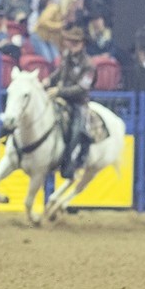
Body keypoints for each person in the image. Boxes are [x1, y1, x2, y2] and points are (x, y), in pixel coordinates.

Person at [43, 26, 95, 179]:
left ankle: (69, 163)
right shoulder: (66, 57)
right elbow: (58, 73)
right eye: (70, 41)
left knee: (76, 131)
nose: (71, 45)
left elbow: (81, 88)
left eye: (75, 42)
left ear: (81, 44)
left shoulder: (89, 65)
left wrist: (59, 91)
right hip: (60, 98)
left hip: (78, 102)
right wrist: (48, 81)